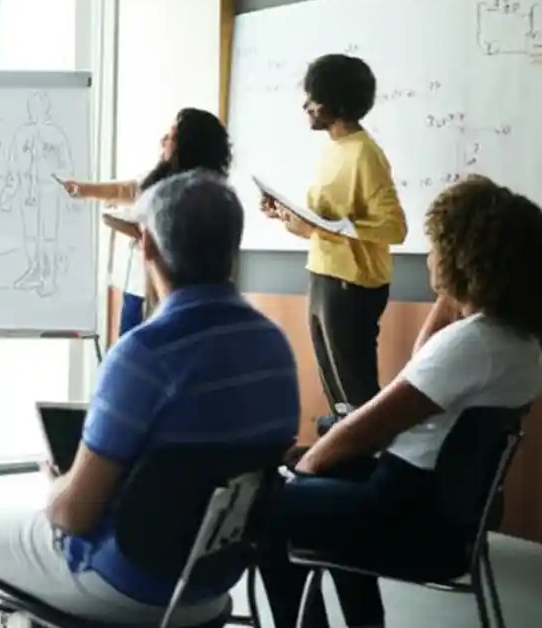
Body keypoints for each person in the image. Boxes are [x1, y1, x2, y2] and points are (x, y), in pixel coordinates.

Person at [0, 170, 300, 628]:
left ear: (145, 247)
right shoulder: (275, 348)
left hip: (123, 583)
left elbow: (72, 516)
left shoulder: (144, 357)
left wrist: (57, 485)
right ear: (233, 249)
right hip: (213, 585)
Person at [259, 175, 542, 628]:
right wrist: (456, 290)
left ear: (460, 256)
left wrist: (304, 468)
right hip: (449, 517)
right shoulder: (521, 343)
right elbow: (425, 360)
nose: (430, 256)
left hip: (404, 517)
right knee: (329, 471)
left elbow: (371, 426)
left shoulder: (473, 345)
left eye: (436, 247)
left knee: (266, 507)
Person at [259, 54, 407, 420]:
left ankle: (366, 464)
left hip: (352, 285)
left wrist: (324, 230)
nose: (306, 105)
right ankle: (346, 461)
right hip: (324, 273)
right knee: (337, 393)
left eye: (313, 98)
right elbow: (323, 224)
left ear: (335, 104)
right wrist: (288, 218)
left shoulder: (365, 155)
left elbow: (394, 228)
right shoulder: (333, 148)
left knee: (355, 391)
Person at [60, 107, 232, 332]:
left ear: (187, 147)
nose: (163, 141)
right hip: (140, 289)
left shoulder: (200, 196)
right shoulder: (162, 178)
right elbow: (128, 190)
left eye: (170, 137)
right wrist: (84, 190)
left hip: (171, 297)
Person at [0, 91, 74, 297]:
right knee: (30, 235)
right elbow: (13, 166)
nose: (35, 111)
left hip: (49, 190)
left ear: (46, 108)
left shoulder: (56, 135)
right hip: (27, 192)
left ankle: (49, 276)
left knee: (49, 236)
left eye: (39, 106)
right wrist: (9, 191)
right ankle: (35, 269)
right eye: (32, 106)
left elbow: (67, 166)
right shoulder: (21, 134)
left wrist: (66, 190)